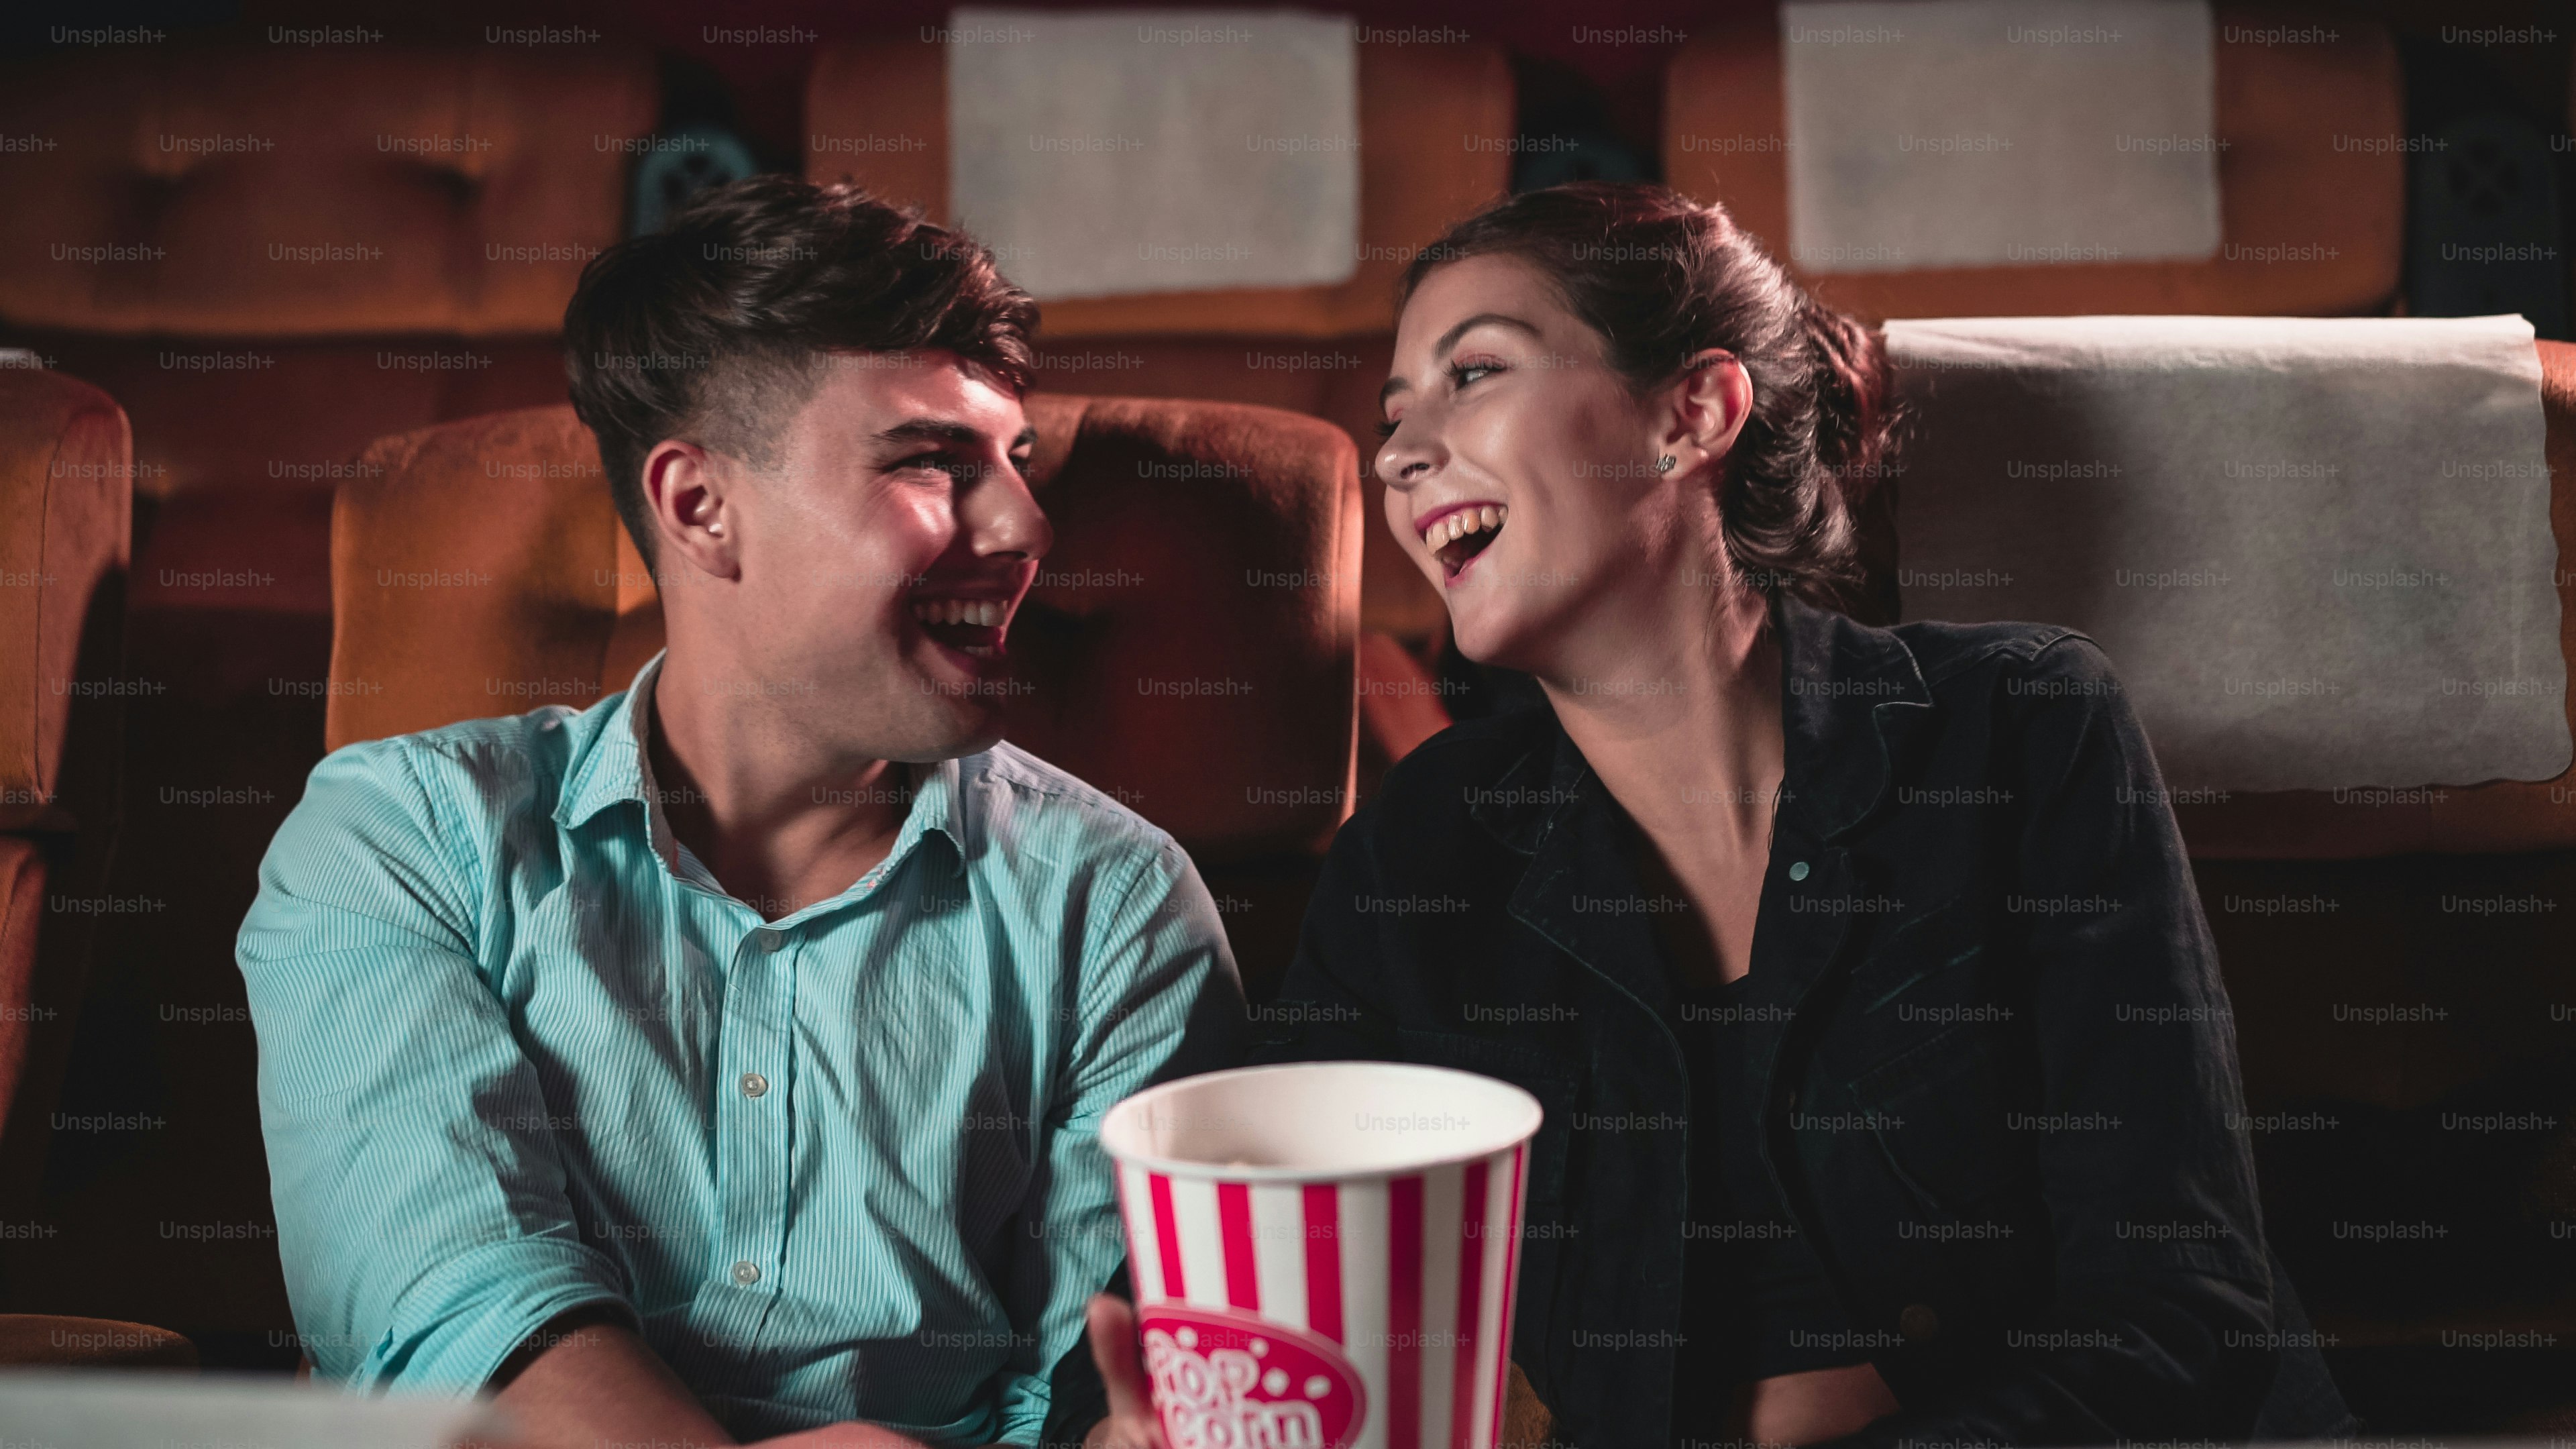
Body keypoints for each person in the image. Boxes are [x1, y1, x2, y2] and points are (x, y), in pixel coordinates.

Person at [1246, 182, 2357, 1447]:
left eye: (1474, 373)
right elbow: (1249, 1232)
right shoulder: (1423, 850)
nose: (1396, 454)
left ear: (1693, 415)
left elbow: (2180, 1309)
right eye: (1394, 417)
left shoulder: (2020, 725)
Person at [235, 176, 1240, 1448]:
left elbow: (1100, 1382)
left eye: (1016, 464)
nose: (1028, 525)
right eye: (933, 462)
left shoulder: (1121, 902)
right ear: (701, 508)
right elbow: (450, 1315)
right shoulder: (399, 840)